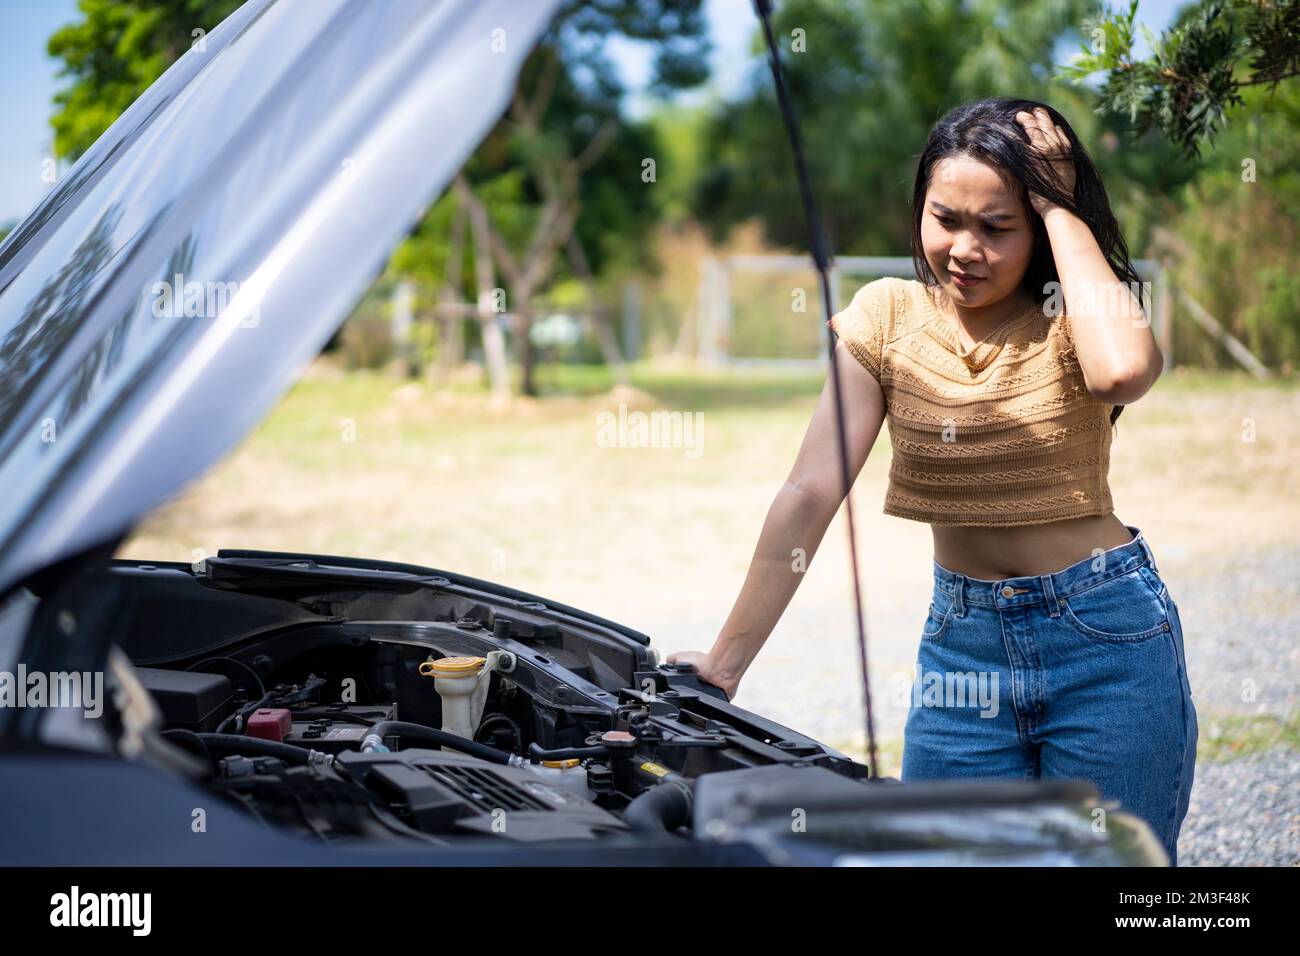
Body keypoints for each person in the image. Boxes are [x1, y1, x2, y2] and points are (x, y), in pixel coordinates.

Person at [666, 97, 1197, 865]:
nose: (964, 248)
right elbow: (811, 491)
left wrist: (1057, 200)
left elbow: (1122, 371)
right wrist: (723, 665)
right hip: (963, 652)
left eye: (997, 226)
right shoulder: (885, 318)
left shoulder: (1075, 314)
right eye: (945, 218)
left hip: (1107, 640)